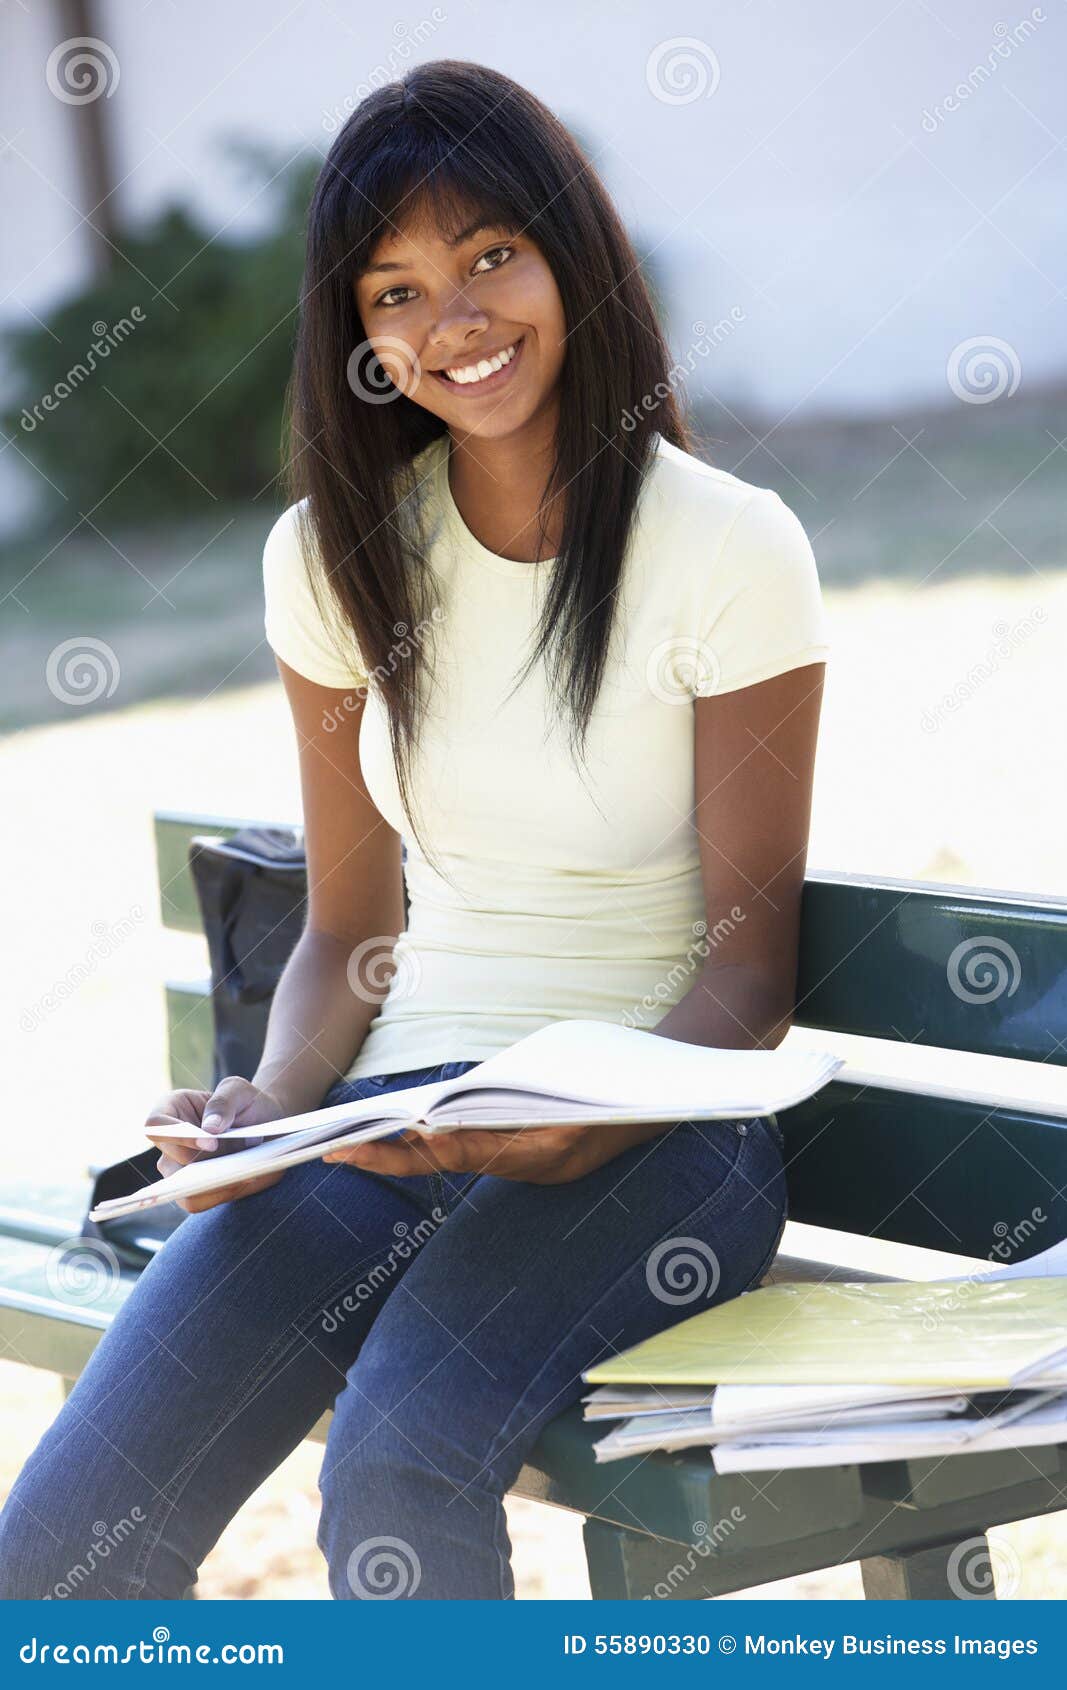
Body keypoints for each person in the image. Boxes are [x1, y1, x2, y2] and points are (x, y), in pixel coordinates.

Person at [0, 59, 829, 1601]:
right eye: (396, 289)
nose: (452, 321)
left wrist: (586, 1122)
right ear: (358, 333)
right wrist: (267, 1107)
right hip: (394, 1127)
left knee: (397, 1458)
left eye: (490, 257)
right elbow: (341, 926)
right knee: (55, 1547)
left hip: (660, 1140)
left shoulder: (731, 547)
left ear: (571, 252)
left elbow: (749, 970)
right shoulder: (333, 557)